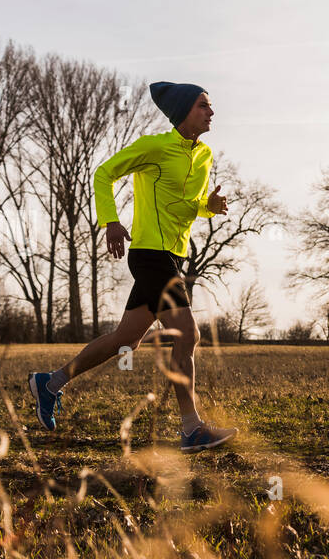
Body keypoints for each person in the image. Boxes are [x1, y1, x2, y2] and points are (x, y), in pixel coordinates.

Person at [28, 81, 237, 453]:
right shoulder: (153, 147)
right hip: (150, 254)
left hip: (173, 255)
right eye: (204, 105)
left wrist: (210, 206)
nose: (211, 112)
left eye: (210, 105)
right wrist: (110, 220)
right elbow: (103, 174)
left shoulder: (204, 155)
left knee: (126, 339)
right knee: (188, 335)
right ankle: (192, 428)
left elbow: (190, 204)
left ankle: (50, 383)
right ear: (183, 112)